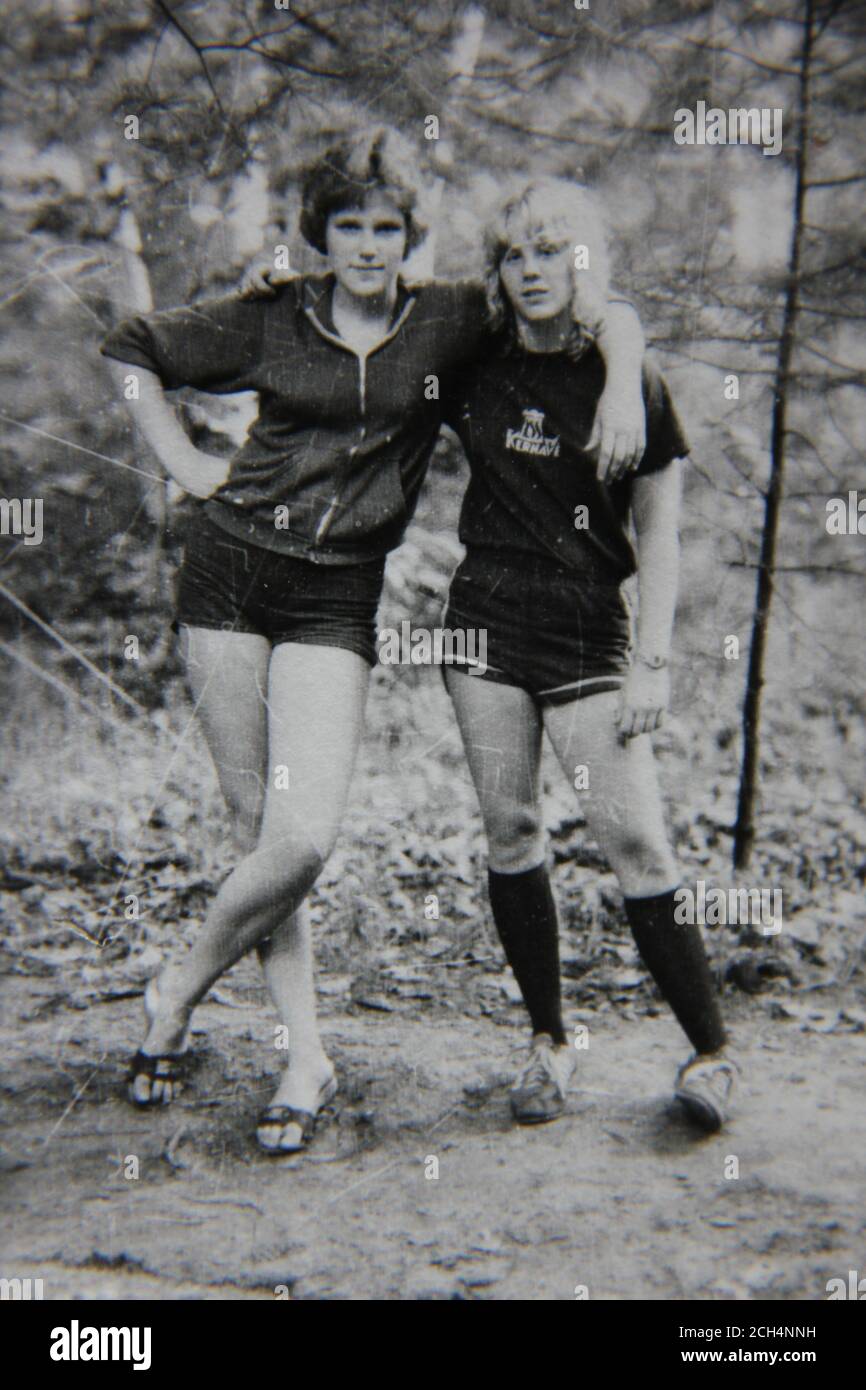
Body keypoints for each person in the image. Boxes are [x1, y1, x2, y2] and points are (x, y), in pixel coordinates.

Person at [100, 129, 650, 1153]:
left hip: (333, 596)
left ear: (409, 235)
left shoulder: (447, 318)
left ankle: (173, 987)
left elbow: (578, 301)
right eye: (346, 226)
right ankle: (302, 1052)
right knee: (252, 829)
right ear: (319, 234)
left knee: (300, 838)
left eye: (384, 227)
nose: (365, 245)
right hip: (225, 574)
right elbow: (132, 348)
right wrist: (181, 457)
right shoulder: (272, 317)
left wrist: (620, 376)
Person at [441, 177, 737, 1132]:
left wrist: (653, 662)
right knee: (512, 833)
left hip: (585, 630)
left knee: (637, 842)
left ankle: (712, 1055)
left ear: (586, 263)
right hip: (483, 623)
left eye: (551, 252)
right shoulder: (476, 358)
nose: (531, 272)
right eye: (514, 254)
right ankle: (548, 1044)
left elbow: (660, 537)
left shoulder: (629, 379)